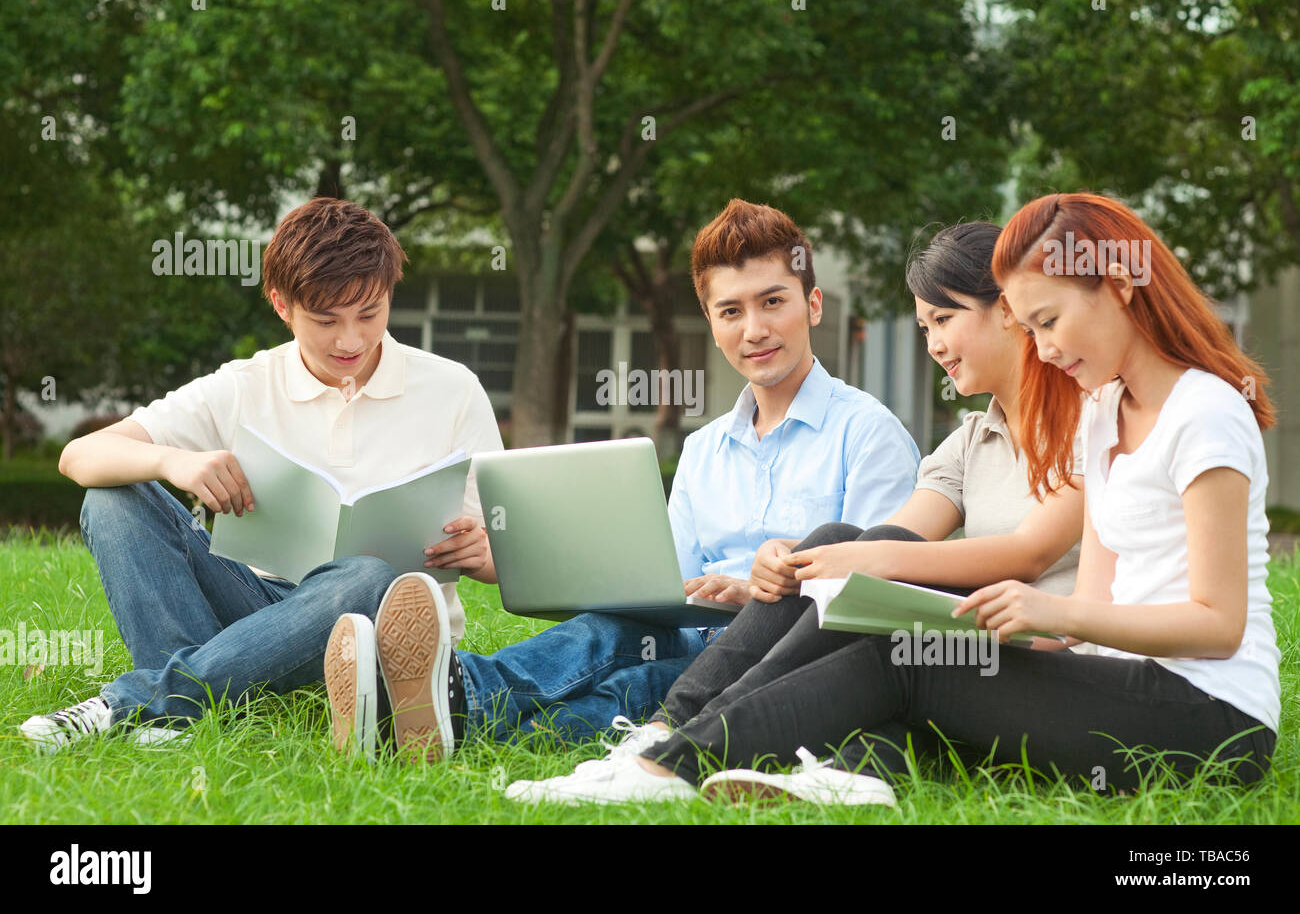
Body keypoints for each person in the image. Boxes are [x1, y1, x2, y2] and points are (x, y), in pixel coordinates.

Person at [516, 192, 1281, 806]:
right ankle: (676, 754)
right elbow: (1084, 612)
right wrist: (995, 633)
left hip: (1211, 719)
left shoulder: (1206, 412)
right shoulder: (1108, 416)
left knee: (906, 661)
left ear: (1117, 286)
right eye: (1031, 325)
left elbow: (1217, 628)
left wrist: (1047, 613)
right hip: (1116, 683)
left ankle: (666, 767)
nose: (1044, 347)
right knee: (903, 640)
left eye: (1047, 321)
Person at [324, 198, 922, 761]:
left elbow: (875, 603)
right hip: (697, 639)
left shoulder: (869, 434)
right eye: (731, 311)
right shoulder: (703, 449)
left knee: (638, 685)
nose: (754, 330)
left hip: (788, 658)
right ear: (711, 323)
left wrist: (754, 596)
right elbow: (668, 587)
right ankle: (447, 705)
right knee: (608, 632)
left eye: (773, 303)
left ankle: (432, 708)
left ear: (812, 305)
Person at [21, 197, 504, 753]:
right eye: (326, 321)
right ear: (282, 304)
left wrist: (481, 555)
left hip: (375, 630)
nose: (350, 341)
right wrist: (173, 461)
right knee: (113, 497)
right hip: (255, 604)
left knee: (369, 575)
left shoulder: (453, 390)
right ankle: (179, 711)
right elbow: (79, 456)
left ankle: (152, 704)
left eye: (369, 314)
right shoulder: (246, 384)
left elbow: (500, 553)